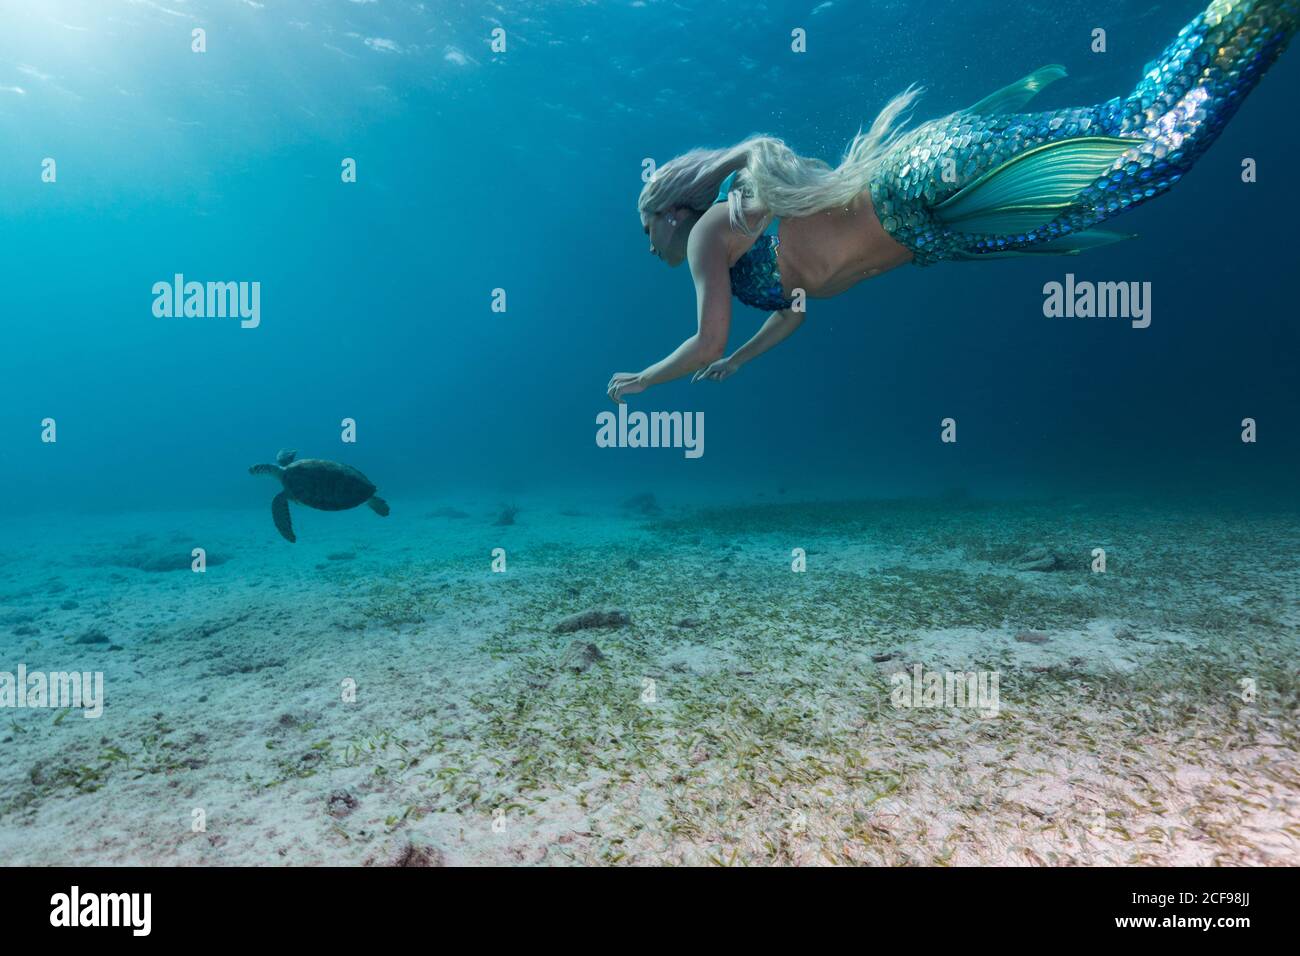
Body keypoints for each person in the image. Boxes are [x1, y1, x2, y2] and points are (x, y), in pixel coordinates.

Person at [608, 0, 1297, 404]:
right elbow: (794, 309)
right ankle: (1260, 25)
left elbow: (705, 339)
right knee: (1148, 161)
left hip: (918, 185)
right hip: (939, 221)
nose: (649, 248)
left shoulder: (710, 235)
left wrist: (646, 377)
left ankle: (1239, 16)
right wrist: (744, 361)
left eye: (646, 231)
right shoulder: (739, 243)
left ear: (673, 212)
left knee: (1137, 138)